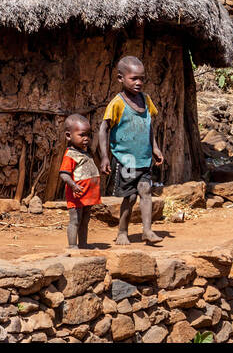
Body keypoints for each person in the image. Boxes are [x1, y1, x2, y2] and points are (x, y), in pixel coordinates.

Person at [99, 55, 163, 245]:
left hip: (144, 158)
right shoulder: (117, 103)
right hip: (126, 159)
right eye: (133, 78)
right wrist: (104, 157)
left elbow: (149, 125)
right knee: (130, 196)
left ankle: (147, 231)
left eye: (142, 78)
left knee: (146, 190)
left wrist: (155, 148)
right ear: (120, 78)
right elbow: (103, 129)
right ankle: (122, 231)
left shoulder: (146, 100)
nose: (138, 82)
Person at [58, 113, 101, 249]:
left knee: (85, 220)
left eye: (88, 135)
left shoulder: (86, 153)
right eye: (82, 135)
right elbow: (64, 174)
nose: (86, 139)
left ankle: (83, 244)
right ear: (68, 136)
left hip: (88, 195)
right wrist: (73, 185)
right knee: (75, 220)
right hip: (77, 194)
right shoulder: (70, 155)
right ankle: (72, 245)